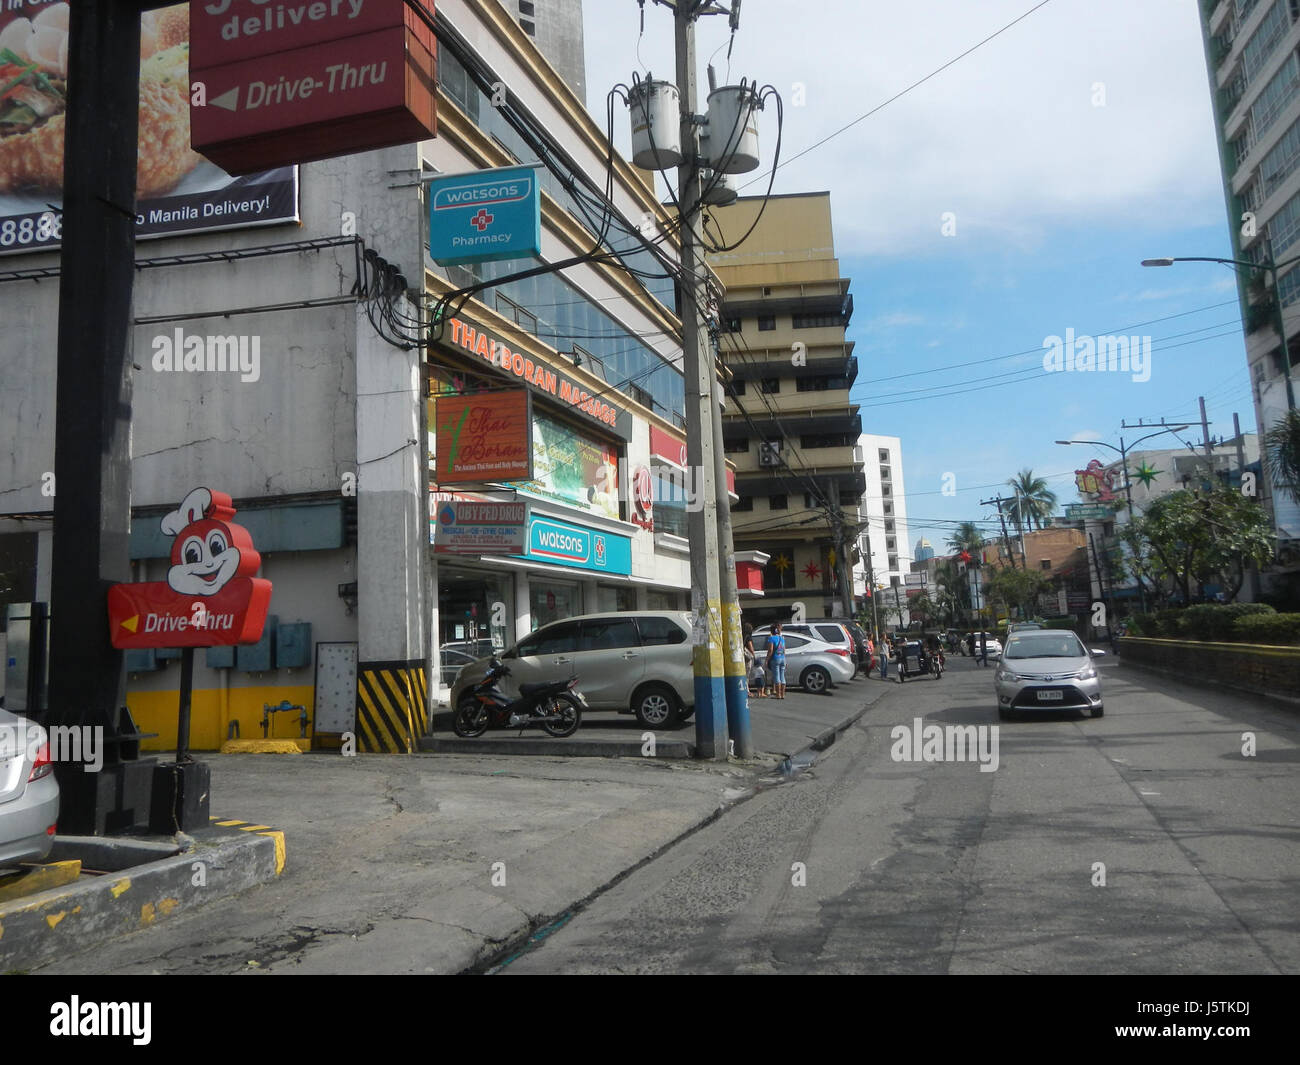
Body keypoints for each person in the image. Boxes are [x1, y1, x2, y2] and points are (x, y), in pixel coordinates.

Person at [765, 622, 787, 700]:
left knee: (777, 676)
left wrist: (767, 659)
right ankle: (783, 694)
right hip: (783, 658)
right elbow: (784, 650)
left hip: (775, 658)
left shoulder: (771, 638)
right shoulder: (782, 638)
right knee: (782, 676)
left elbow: (770, 650)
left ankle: (778, 694)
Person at [743, 622, 764, 698]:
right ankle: (747, 691)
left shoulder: (742, 636)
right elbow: (751, 647)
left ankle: (746, 690)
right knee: (747, 675)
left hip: (742, 657)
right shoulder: (748, 637)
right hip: (747, 658)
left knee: (744, 675)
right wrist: (754, 655)